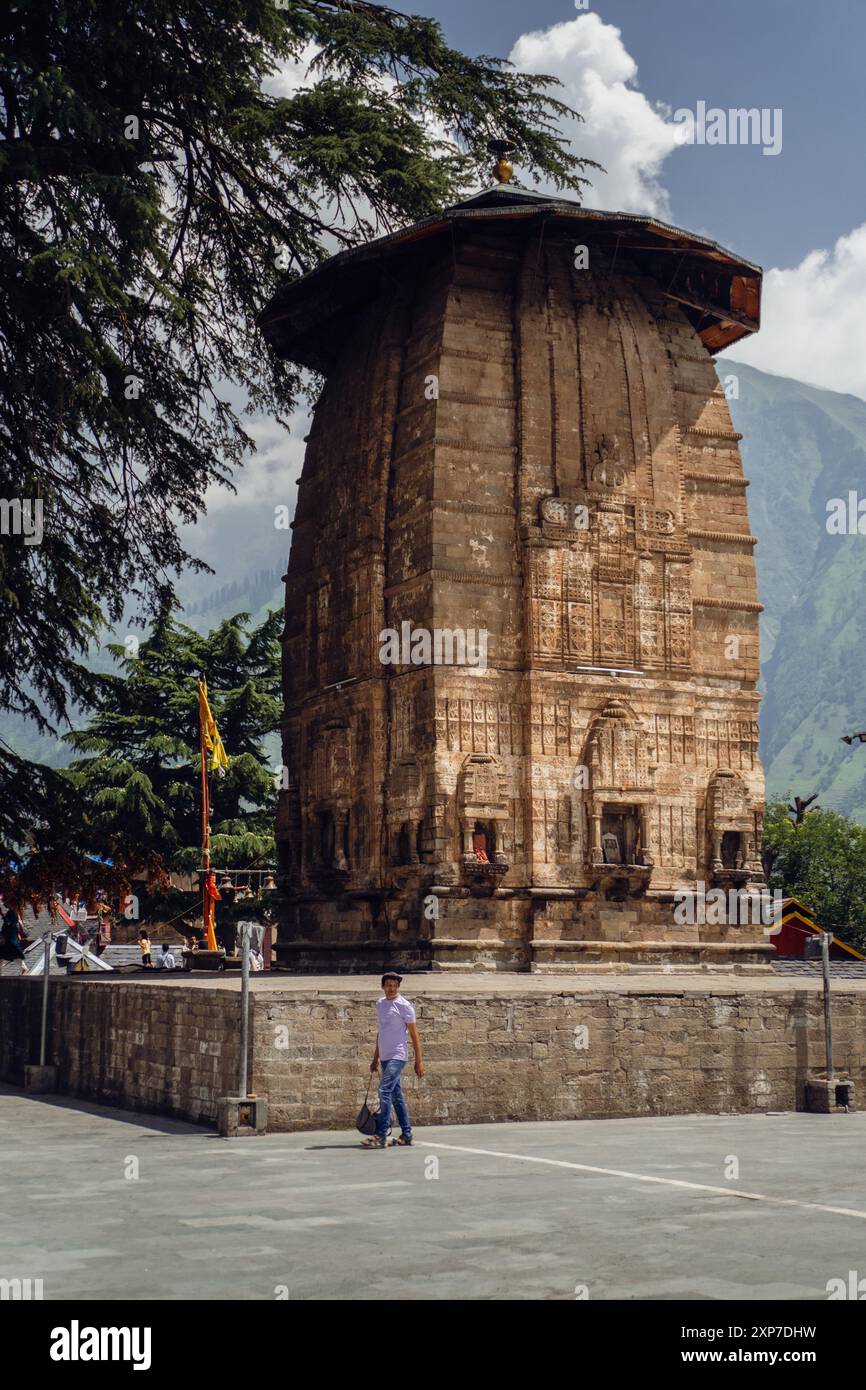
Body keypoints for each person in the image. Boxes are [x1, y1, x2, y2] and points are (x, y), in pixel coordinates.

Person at [362, 971, 425, 1149]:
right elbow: (381, 1033)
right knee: (396, 1097)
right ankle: (406, 1134)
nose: (391, 988)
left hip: (397, 1056)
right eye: (388, 985)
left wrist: (419, 1061)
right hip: (385, 1056)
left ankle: (381, 1135)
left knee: (384, 1091)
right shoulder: (380, 1004)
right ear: (383, 986)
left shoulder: (405, 1006)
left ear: (398, 987)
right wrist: (375, 1058)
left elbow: (414, 1036)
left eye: (394, 985)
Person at [1, 907, 28, 976]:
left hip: (10, 942)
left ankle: (24, 969)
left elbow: (9, 923)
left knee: (15, 954)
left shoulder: (13, 914)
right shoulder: (11, 913)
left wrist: (2, 914)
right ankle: (24, 968)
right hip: (7, 942)